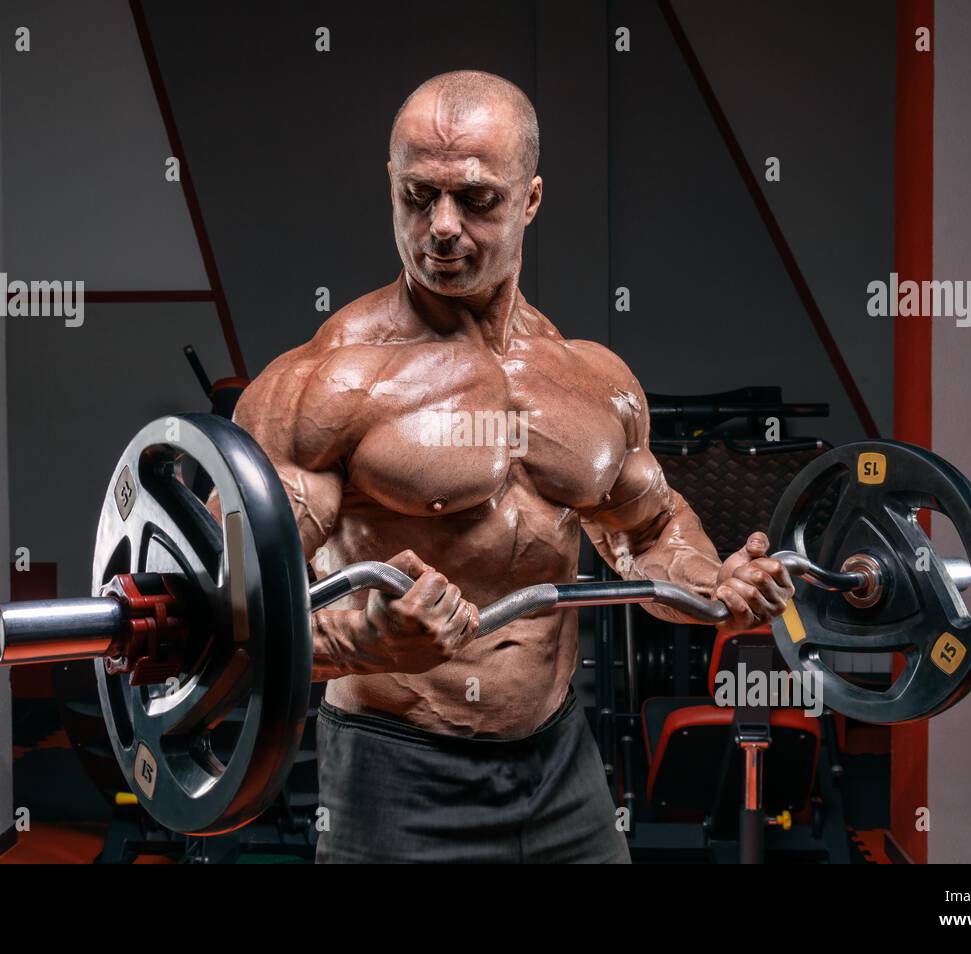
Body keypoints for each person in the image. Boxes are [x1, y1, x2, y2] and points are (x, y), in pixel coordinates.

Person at [229, 70, 794, 862]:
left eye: (479, 199)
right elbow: (236, 622)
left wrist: (712, 585)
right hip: (396, 774)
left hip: (561, 764)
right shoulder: (327, 385)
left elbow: (649, 530)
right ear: (390, 186)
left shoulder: (594, 378)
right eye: (419, 197)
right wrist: (366, 640)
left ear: (530, 200)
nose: (444, 228)